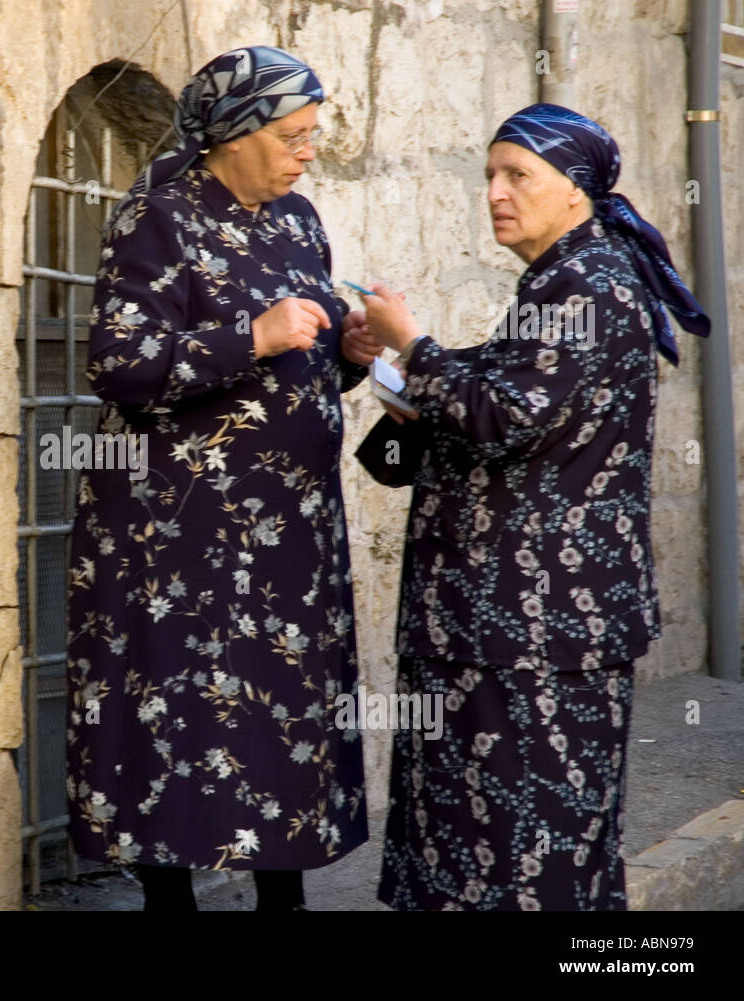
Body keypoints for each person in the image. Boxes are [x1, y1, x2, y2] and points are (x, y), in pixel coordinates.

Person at [353, 103, 709, 910]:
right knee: (510, 844)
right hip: (506, 626)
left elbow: (505, 417)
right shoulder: (563, 281)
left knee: (521, 853)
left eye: (520, 175)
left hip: (530, 630)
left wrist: (413, 344)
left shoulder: (584, 284)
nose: (496, 193)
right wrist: (419, 392)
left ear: (576, 192)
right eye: (489, 175)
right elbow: (514, 410)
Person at [64, 45, 382, 911]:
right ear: (233, 135)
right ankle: (171, 901)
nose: (306, 149)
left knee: (282, 711)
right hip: (177, 536)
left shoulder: (299, 220)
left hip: (287, 534)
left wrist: (345, 357)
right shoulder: (157, 218)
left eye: (313, 133)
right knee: (173, 711)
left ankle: (283, 901)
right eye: (291, 134)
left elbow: (298, 365)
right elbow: (121, 364)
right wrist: (252, 336)